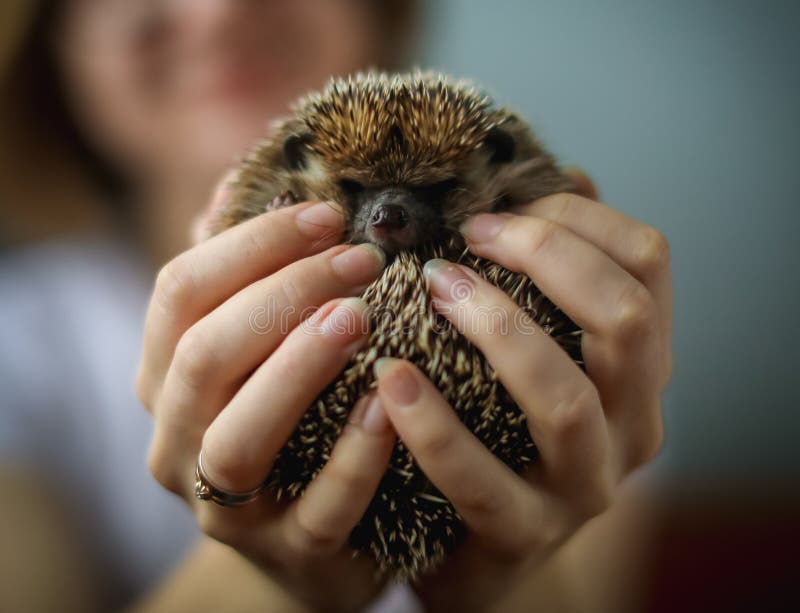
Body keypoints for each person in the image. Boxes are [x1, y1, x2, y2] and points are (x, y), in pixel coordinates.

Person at [1, 1, 671, 611]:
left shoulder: (591, 343)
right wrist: (262, 572)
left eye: (433, 190)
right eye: (355, 190)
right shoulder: (20, 347)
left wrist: (501, 581)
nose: (217, 10)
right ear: (54, 42)